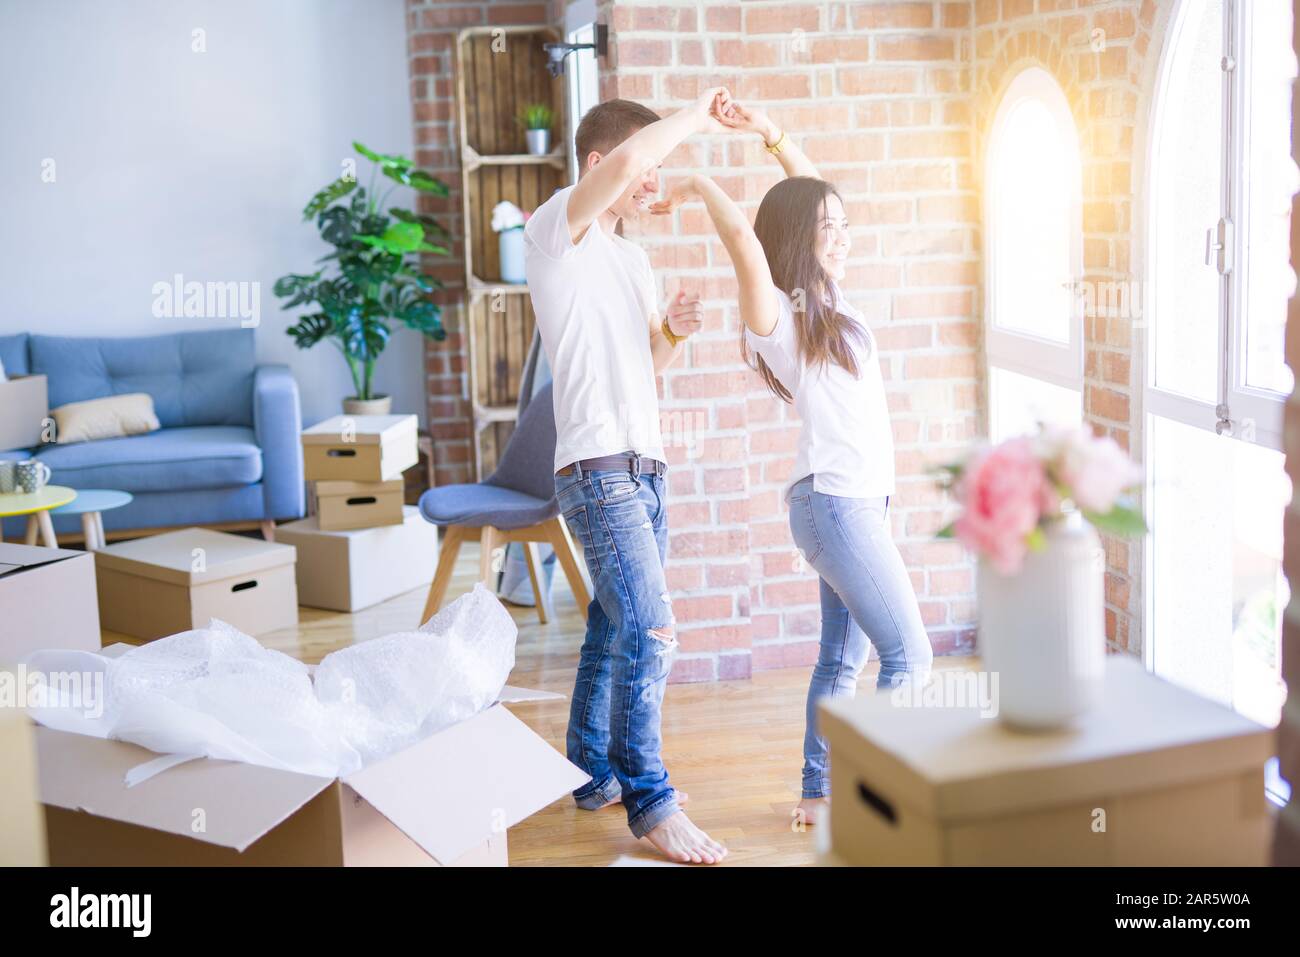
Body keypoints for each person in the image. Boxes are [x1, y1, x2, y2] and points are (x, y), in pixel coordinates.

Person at [651, 100, 934, 826]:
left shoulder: (829, 297)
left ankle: (819, 792)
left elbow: (808, 193)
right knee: (911, 656)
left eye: (844, 225)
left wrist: (772, 135)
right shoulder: (778, 311)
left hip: (853, 503)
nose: (840, 237)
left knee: (843, 662)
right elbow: (748, 240)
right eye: (825, 230)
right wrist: (699, 188)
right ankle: (880, 799)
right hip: (836, 504)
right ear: (798, 242)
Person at [523, 91, 732, 864]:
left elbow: (649, 371)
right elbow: (642, 160)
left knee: (615, 627)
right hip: (596, 470)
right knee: (653, 629)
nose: (654, 186)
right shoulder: (555, 231)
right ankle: (652, 803)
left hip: (645, 471)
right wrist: (698, 115)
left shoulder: (634, 260)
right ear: (598, 164)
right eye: (642, 170)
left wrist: (672, 330)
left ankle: (589, 771)